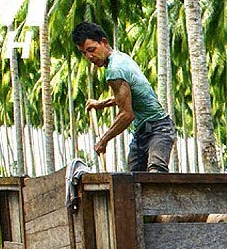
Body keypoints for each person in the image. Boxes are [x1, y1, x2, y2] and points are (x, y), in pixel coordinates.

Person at [72, 21, 177, 172]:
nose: (89, 56)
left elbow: (127, 115)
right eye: (84, 53)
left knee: (156, 173)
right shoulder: (121, 58)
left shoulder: (114, 70)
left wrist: (103, 141)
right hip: (142, 130)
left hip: (159, 128)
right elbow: (129, 95)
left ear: (103, 42)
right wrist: (101, 104)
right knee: (131, 181)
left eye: (92, 50)